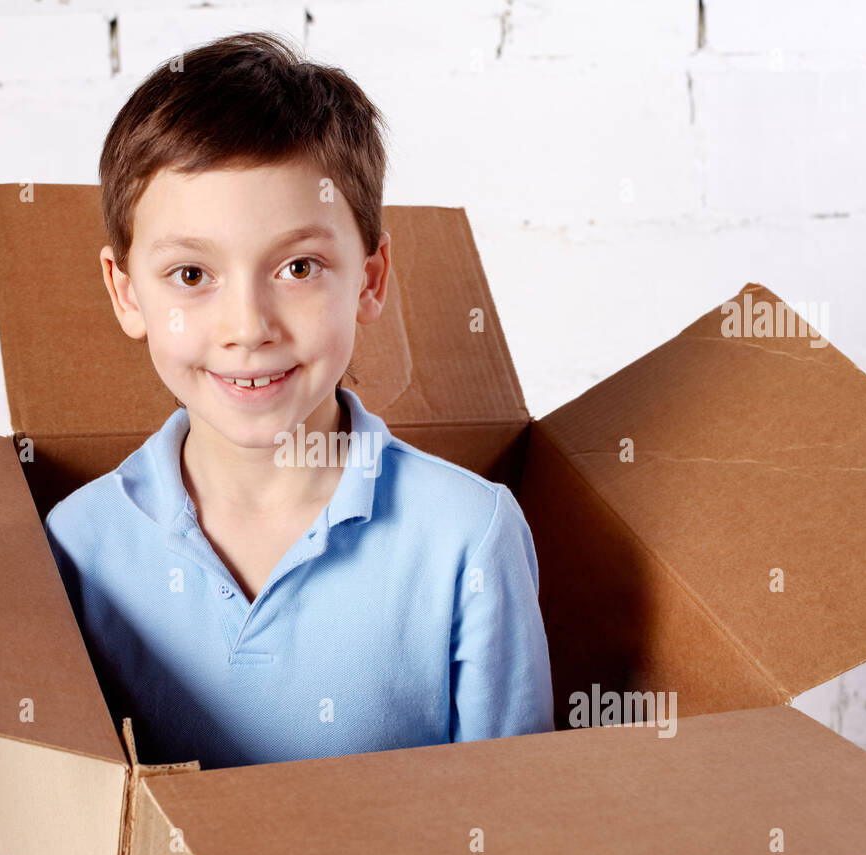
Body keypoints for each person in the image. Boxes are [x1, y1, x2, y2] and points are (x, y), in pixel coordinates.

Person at [44, 31, 552, 769]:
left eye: (299, 266)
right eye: (191, 275)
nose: (247, 327)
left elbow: (521, 831)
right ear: (126, 293)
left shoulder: (468, 537)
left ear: (371, 281)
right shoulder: (78, 546)